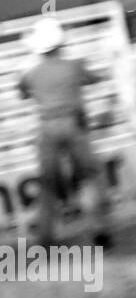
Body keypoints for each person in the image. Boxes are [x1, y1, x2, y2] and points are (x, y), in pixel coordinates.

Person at [17, 17, 112, 248]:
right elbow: (94, 78)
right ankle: (99, 230)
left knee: (48, 184)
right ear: (60, 44)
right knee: (88, 177)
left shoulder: (31, 73)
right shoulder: (74, 66)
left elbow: (22, 92)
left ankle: (46, 238)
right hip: (74, 125)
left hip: (47, 128)